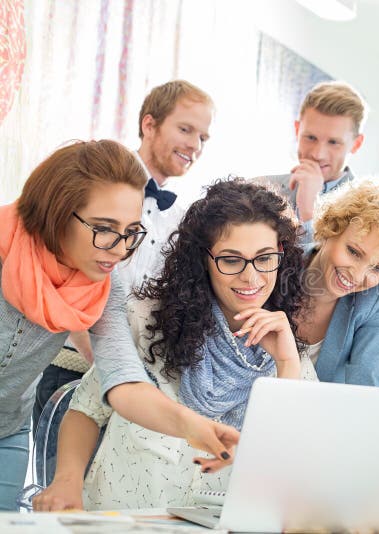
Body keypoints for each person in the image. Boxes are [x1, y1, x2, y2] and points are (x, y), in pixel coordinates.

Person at [34, 179, 312, 511]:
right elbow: (85, 411)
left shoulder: (291, 355)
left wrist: (287, 364)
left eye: (264, 257)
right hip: (120, 520)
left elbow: (293, 471)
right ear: (203, 259)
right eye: (231, 260)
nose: (251, 278)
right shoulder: (148, 321)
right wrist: (66, 483)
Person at [0, 140, 236, 511]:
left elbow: (124, 382)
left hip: (6, 430)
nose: (120, 249)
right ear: (58, 212)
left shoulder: (103, 286)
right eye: (105, 228)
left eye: (130, 232)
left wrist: (192, 426)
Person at [34, 80, 215, 430]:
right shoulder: (96, 182)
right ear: (149, 125)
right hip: (72, 365)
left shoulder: (174, 218)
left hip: (126, 373)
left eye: (203, 138)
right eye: (185, 129)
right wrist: (100, 364)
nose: (194, 145)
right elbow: (68, 277)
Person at [297, 178, 379, 386]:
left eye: (378, 268)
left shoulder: (376, 299)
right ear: (331, 229)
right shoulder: (278, 265)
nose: (357, 275)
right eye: (354, 252)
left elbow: (369, 386)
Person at [251, 80, 367, 243]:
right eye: (311, 137)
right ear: (297, 130)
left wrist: (308, 212)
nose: (318, 154)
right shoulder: (258, 189)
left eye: (333, 142)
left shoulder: (369, 212)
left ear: (356, 144)